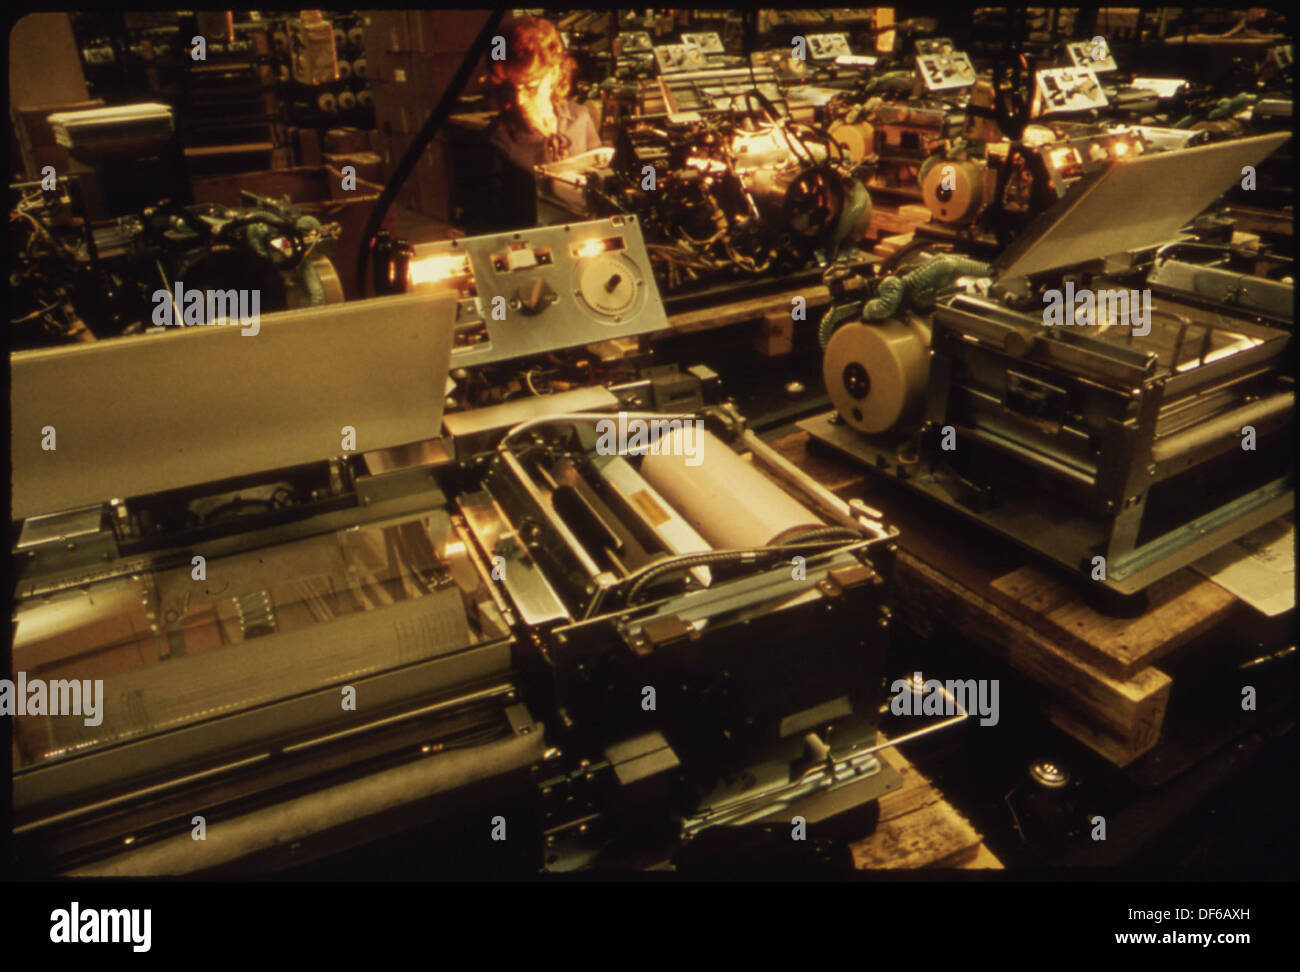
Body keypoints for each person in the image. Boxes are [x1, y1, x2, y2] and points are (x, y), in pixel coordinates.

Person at [482, 16, 602, 229]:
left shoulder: (580, 118)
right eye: (512, 88)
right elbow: (491, 219)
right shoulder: (499, 138)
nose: (519, 101)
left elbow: (601, 182)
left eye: (530, 87)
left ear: (554, 74)